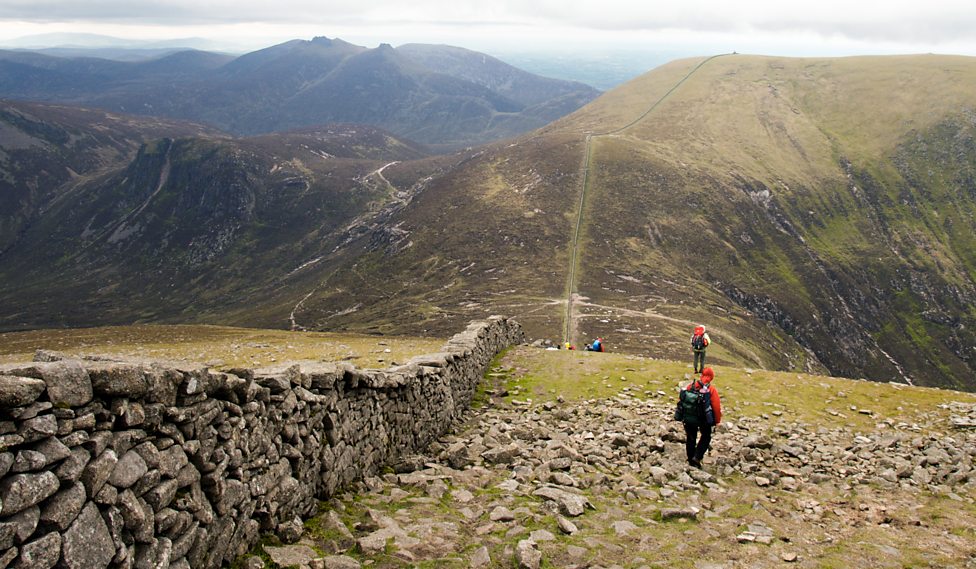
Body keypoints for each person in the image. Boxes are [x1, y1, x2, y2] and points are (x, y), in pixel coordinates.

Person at [676, 367, 722, 468]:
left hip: (688, 418)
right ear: (711, 377)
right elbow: (716, 407)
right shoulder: (711, 389)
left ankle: (690, 458)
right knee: (706, 436)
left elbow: (682, 400)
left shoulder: (690, 386)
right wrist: (717, 421)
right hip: (703, 419)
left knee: (691, 437)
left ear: (701, 375)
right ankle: (697, 457)